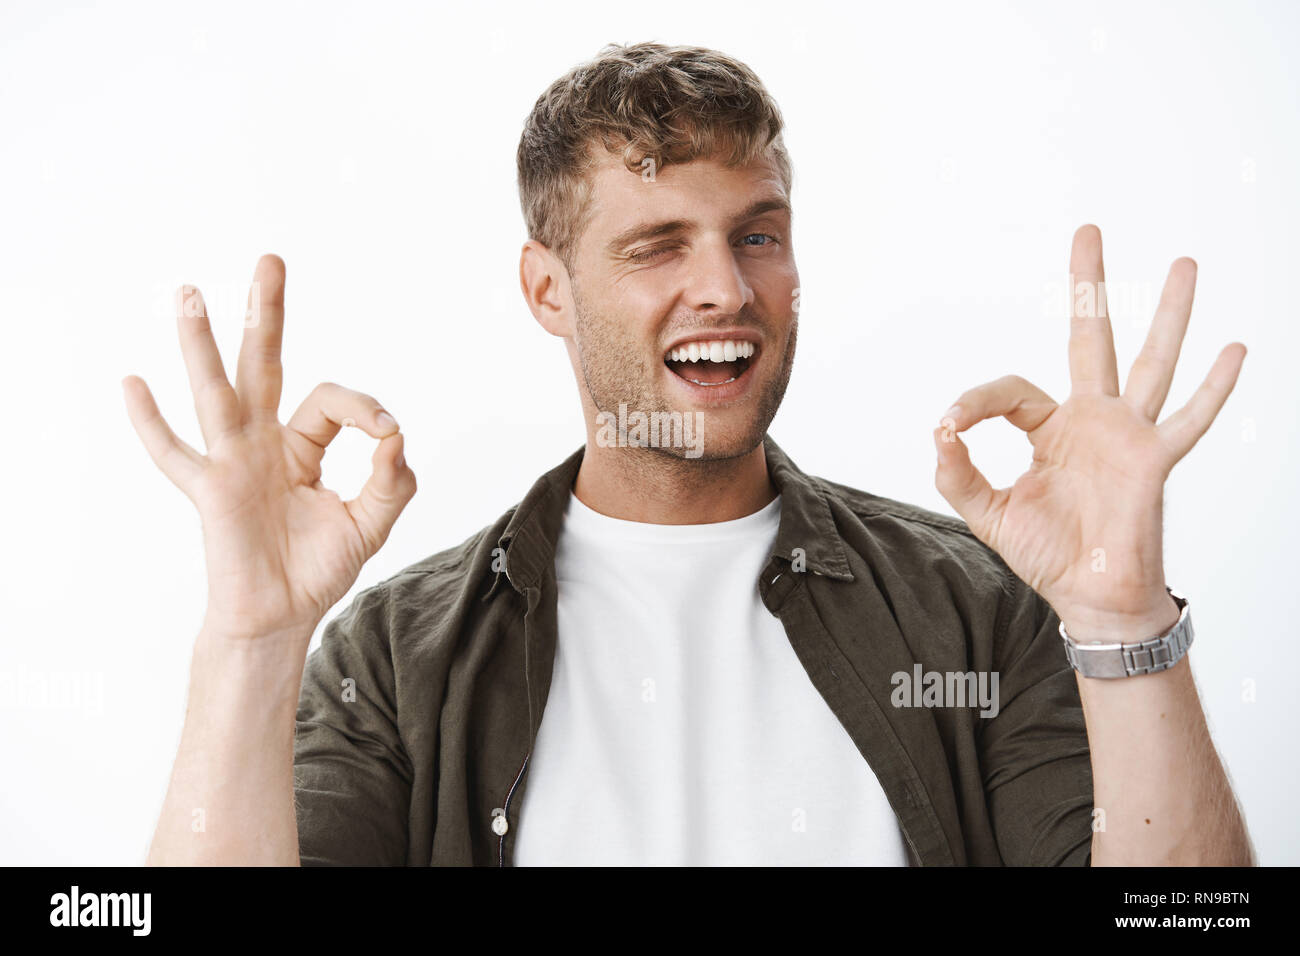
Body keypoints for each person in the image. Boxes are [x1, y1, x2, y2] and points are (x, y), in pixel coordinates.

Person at [125, 42, 1254, 866]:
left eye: (756, 234)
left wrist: (1120, 619)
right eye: (658, 245)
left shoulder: (976, 613)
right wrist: (252, 639)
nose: (724, 286)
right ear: (546, 290)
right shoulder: (397, 659)